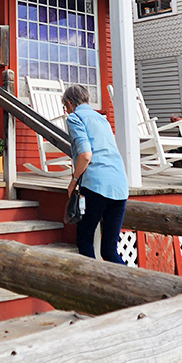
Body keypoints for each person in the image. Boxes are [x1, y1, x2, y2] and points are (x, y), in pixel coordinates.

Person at [63, 84, 129, 263]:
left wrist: (73, 182)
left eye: (65, 107)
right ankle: (127, 287)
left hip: (96, 185)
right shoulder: (102, 119)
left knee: (84, 240)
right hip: (120, 185)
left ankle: (90, 286)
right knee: (109, 250)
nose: (66, 111)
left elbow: (85, 154)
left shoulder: (74, 117)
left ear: (69, 104)